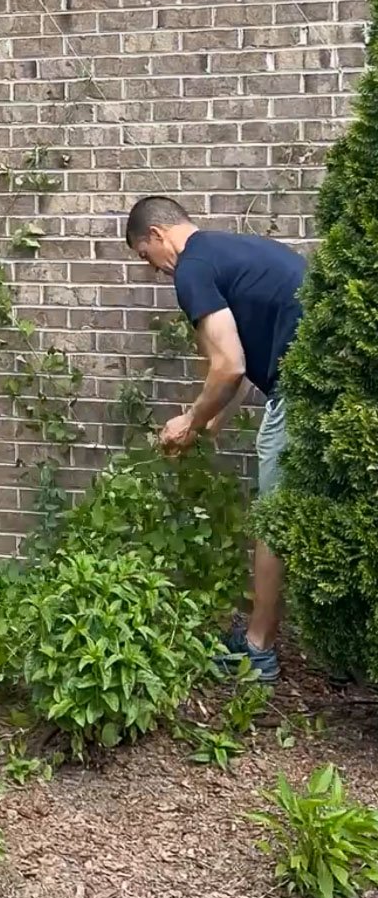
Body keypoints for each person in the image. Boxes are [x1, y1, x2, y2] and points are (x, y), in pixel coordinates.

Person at [125, 196, 307, 682]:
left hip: (303, 388)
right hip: (325, 378)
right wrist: (212, 419)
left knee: (274, 516)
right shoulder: (227, 251)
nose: (154, 270)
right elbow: (237, 365)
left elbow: (229, 365)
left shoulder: (192, 268)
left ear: (157, 235)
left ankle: (258, 648)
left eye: (146, 256)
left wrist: (188, 420)